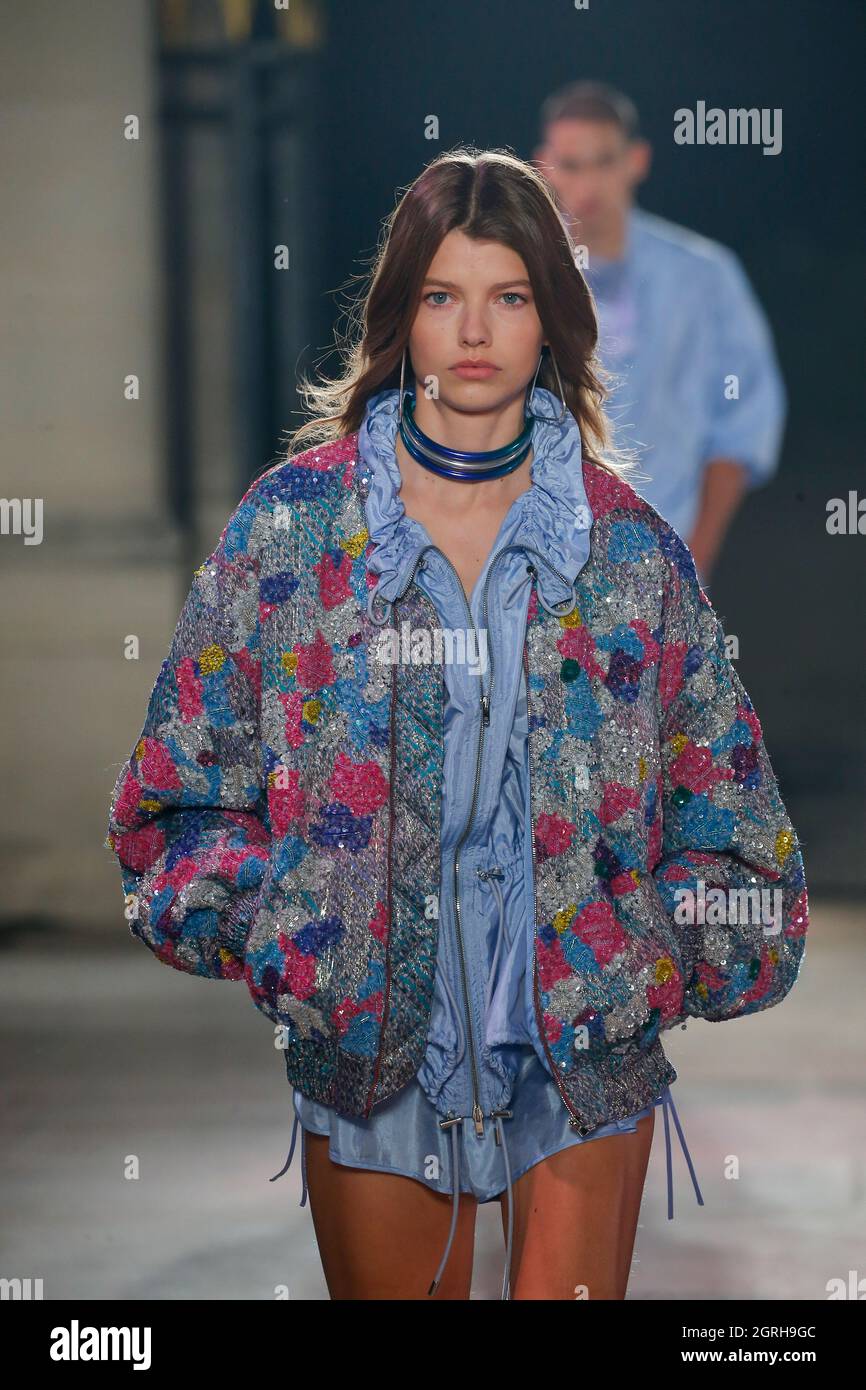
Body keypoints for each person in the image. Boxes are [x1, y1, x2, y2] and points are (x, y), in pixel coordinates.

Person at [105, 147, 809, 1301]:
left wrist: (636, 956)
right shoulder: (295, 536)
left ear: (552, 324)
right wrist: (294, 933)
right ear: (402, 318)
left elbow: (738, 833)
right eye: (441, 296)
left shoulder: (629, 553)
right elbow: (168, 802)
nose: (473, 331)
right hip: (371, 1051)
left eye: (509, 296)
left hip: (581, 1056)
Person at [533, 81, 787, 585]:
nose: (588, 185)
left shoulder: (705, 276)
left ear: (637, 160)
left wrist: (694, 557)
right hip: (536, 566)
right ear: (544, 166)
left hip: (666, 558)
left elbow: (742, 424)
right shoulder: (519, 277)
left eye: (603, 161)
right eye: (572, 164)